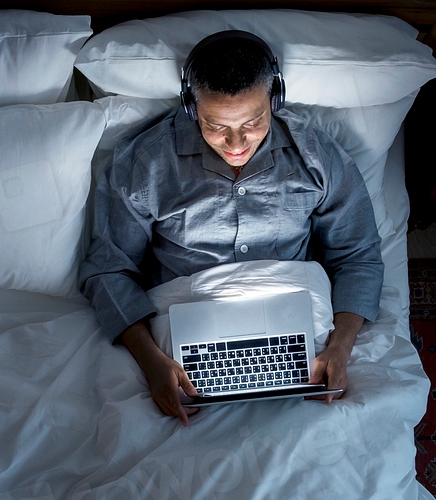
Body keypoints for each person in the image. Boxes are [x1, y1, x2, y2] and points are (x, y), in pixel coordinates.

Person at [79, 30, 385, 425]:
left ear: (274, 99)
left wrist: (340, 349)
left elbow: (358, 256)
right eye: (215, 124)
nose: (236, 141)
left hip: (293, 314)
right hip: (188, 317)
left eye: (254, 121)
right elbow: (109, 267)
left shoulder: (318, 159)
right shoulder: (145, 164)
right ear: (192, 107)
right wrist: (151, 360)